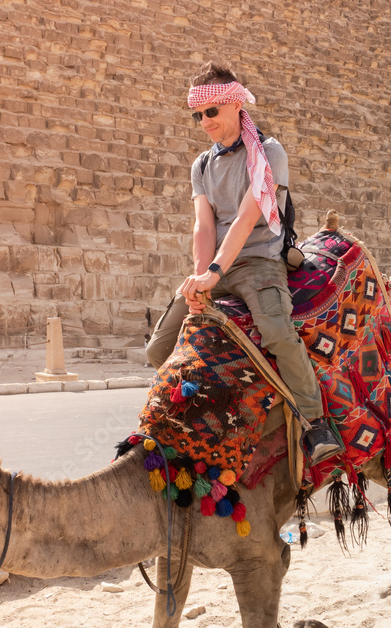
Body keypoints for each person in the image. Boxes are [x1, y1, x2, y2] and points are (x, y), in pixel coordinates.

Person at [145, 61, 342, 464]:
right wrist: (201, 279)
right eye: (197, 114)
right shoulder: (202, 164)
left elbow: (247, 217)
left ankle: (316, 423)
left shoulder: (268, 152)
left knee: (277, 333)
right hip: (215, 266)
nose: (204, 121)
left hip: (258, 262)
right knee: (159, 349)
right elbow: (204, 225)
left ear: (236, 103)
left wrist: (214, 272)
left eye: (211, 111)